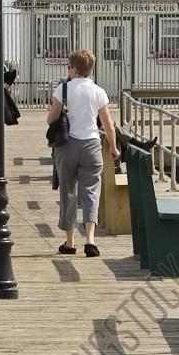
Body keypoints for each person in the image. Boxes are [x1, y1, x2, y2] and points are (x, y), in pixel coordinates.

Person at [46, 48, 118, 258]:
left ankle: (70, 242)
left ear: (74, 69)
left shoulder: (63, 89)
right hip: (92, 145)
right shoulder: (98, 91)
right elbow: (108, 125)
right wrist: (113, 147)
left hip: (67, 146)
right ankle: (90, 240)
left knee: (68, 191)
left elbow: (51, 119)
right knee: (91, 192)